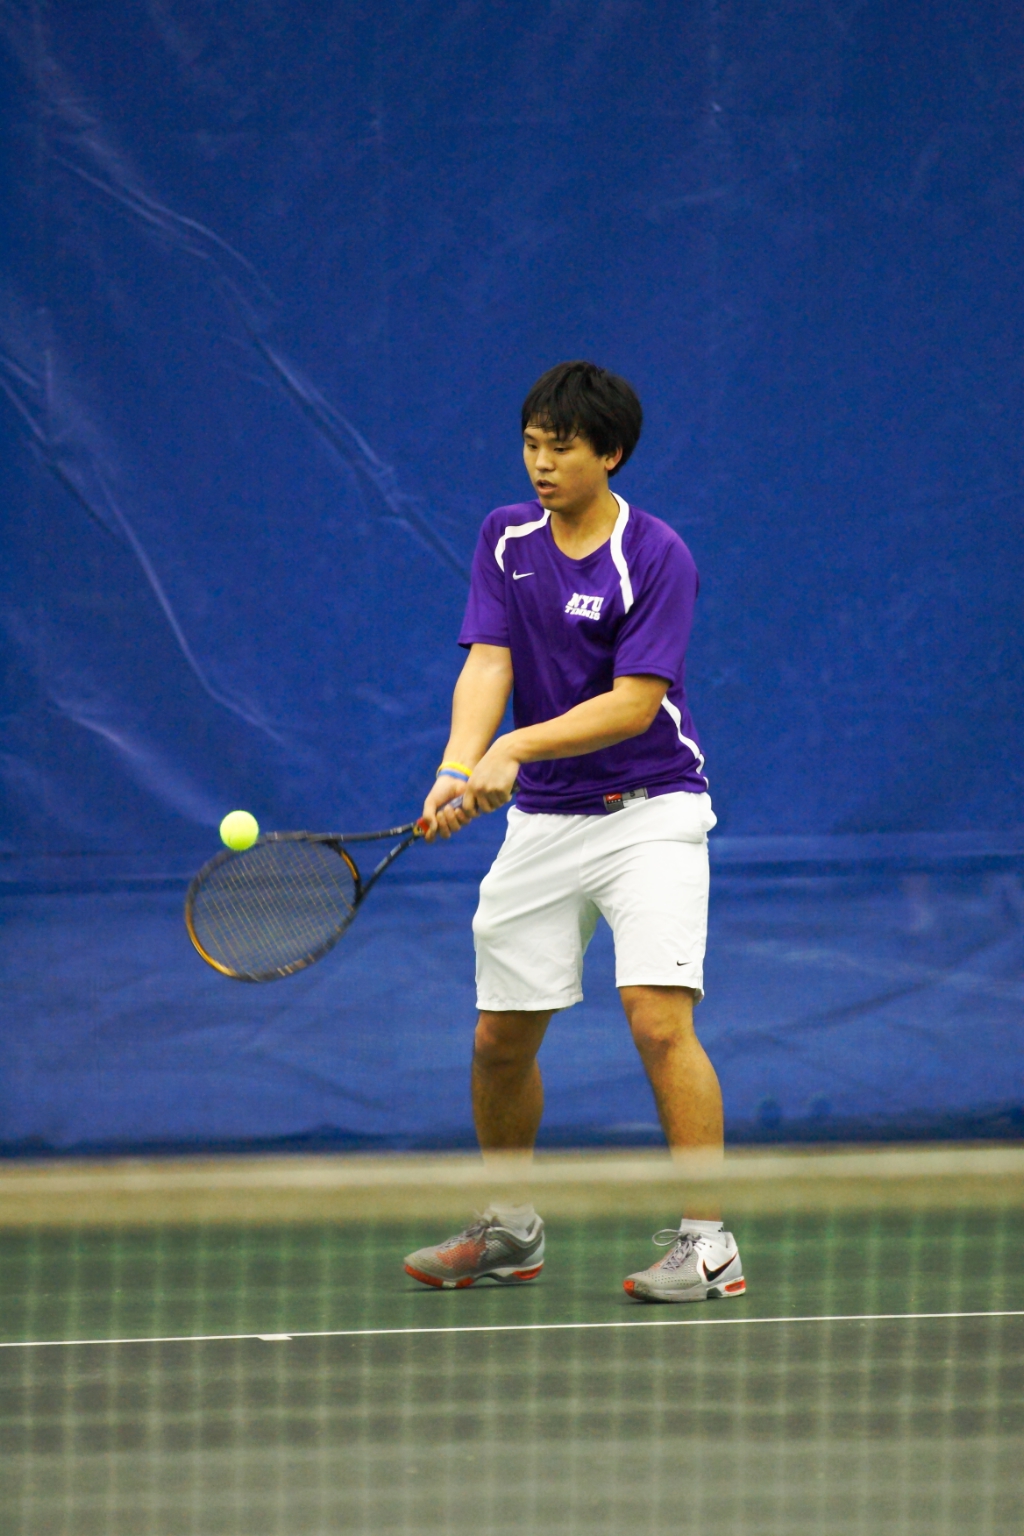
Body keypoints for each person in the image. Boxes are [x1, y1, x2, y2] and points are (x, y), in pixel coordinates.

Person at [404, 361, 744, 1303]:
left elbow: (635, 706)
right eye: (532, 445)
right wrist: (455, 768)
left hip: (652, 813)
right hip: (546, 821)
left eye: (562, 448)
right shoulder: (505, 539)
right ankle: (510, 1228)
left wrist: (513, 747)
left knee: (657, 1017)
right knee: (497, 1040)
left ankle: (709, 1243)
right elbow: (488, 662)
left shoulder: (657, 554)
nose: (542, 465)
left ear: (611, 454)